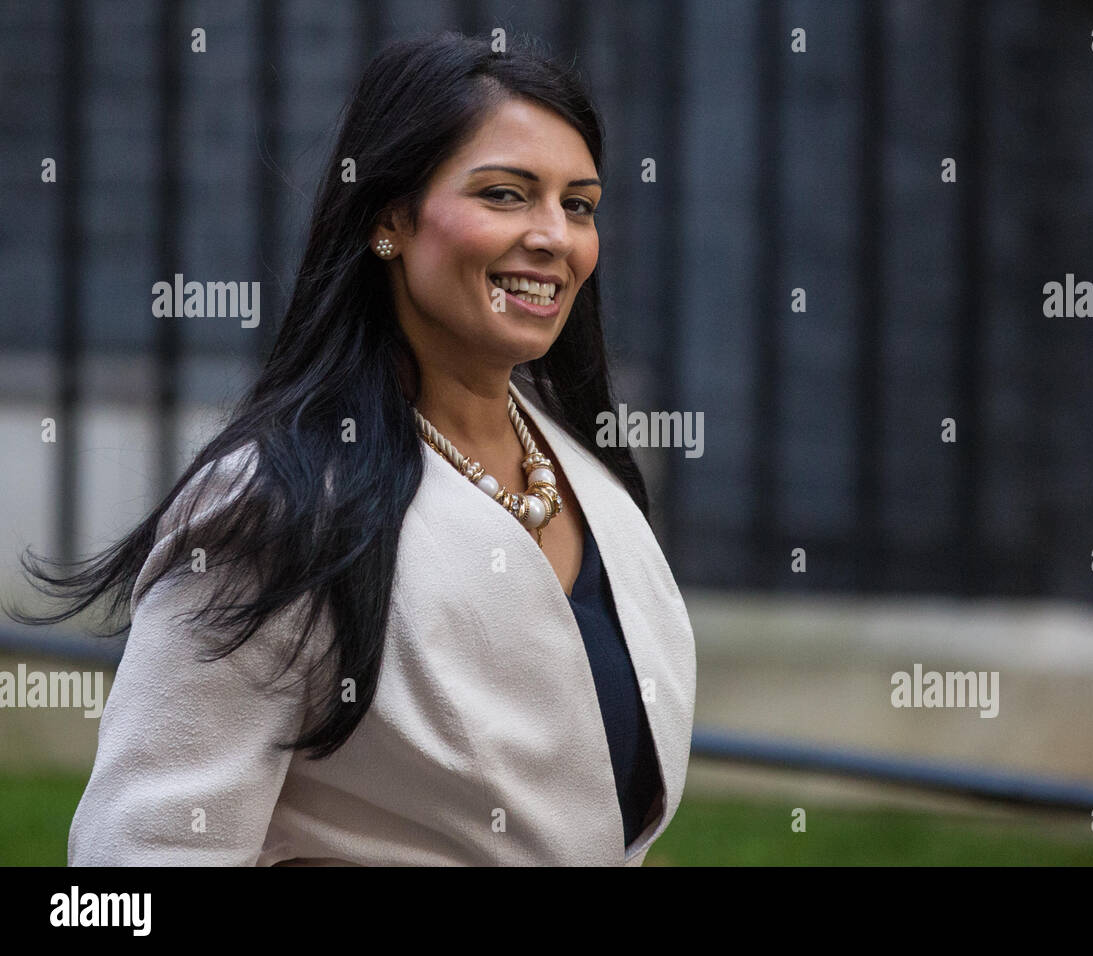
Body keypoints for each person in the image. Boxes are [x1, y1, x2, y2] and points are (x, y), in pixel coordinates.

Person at [7, 31, 696, 866]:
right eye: (507, 195)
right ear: (391, 222)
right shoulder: (279, 506)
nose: (555, 236)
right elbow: (141, 855)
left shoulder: (594, 484)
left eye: (578, 203)